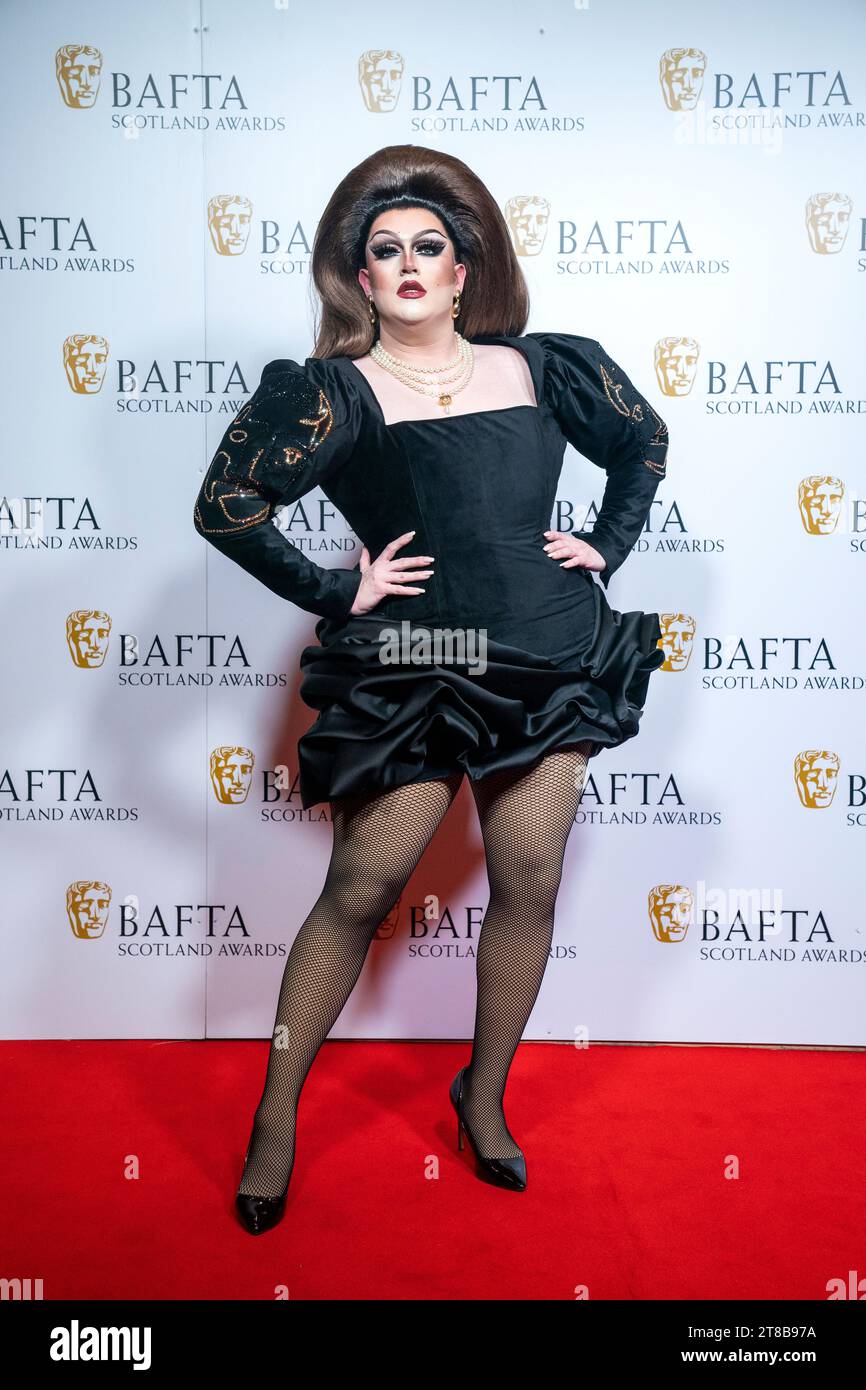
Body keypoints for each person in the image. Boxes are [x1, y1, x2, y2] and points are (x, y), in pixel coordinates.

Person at [193, 144, 669, 1235]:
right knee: (360, 888)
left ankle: (483, 1099)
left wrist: (604, 542)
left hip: (549, 653)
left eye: (428, 247)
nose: (408, 264)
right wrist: (332, 585)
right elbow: (225, 505)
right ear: (360, 281)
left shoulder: (546, 367)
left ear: (463, 271)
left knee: (529, 875)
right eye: (384, 251)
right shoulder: (329, 393)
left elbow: (641, 440)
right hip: (415, 663)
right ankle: (276, 1117)